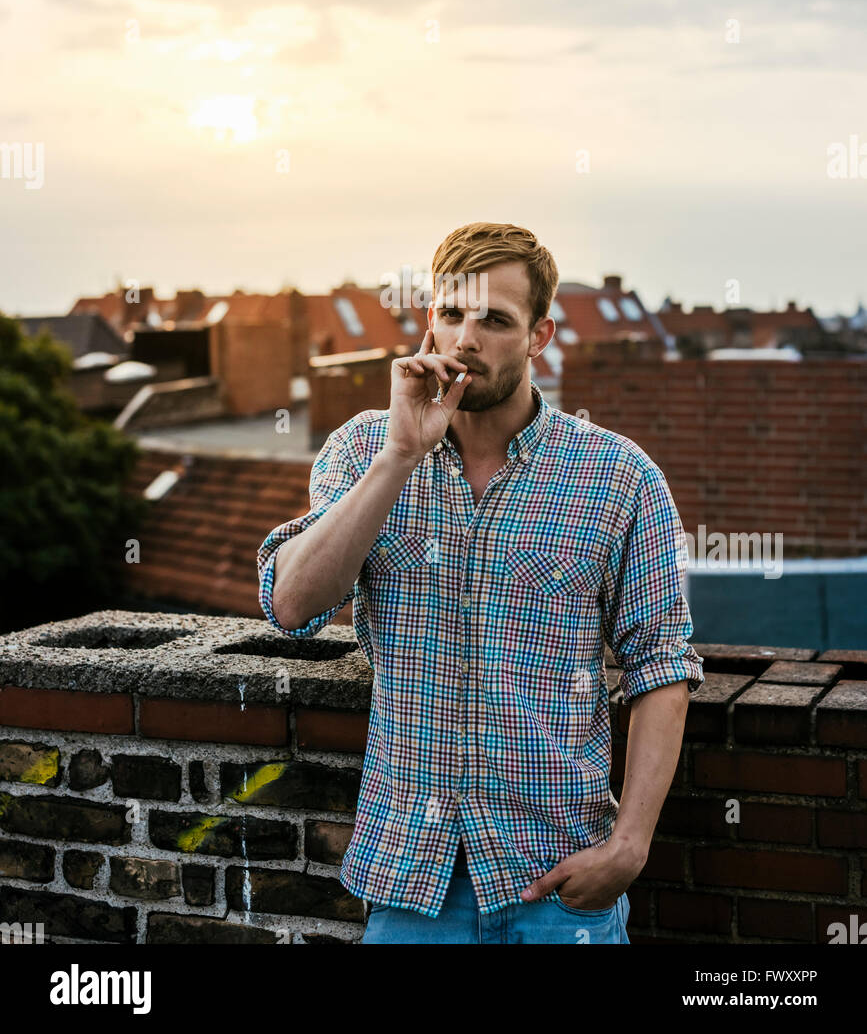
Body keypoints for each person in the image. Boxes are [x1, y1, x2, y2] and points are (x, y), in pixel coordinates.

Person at [257, 221, 704, 944]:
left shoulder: (619, 476)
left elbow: (661, 665)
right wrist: (400, 456)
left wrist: (628, 847)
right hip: (412, 883)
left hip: (558, 881)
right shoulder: (363, 449)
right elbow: (292, 605)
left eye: (494, 320)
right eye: (450, 314)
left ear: (538, 336)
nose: (465, 339)